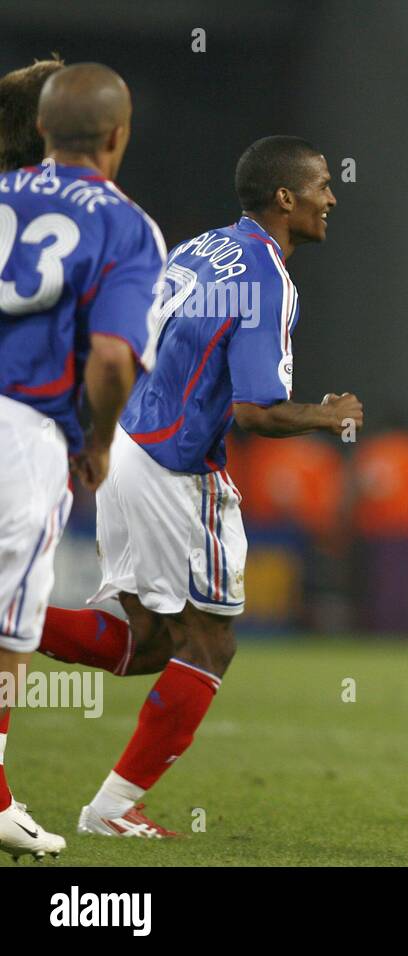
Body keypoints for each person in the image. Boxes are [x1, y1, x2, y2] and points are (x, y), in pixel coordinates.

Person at [37, 135, 362, 838]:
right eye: (322, 185)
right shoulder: (267, 277)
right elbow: (255, 410)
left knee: (153, 641)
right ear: (286, 197)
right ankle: (112, 810)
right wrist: (328, 415)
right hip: (175, 467)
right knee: (212, 644)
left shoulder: (201, 247)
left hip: (129, 444)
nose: (331, 197)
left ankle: (15, 614)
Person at [0, 63, 166, 859]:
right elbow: (109, 356)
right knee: (9, 624)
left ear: (39, 129)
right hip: (22, 427)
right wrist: (98, 442)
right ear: (115, 136)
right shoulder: (127, 225)